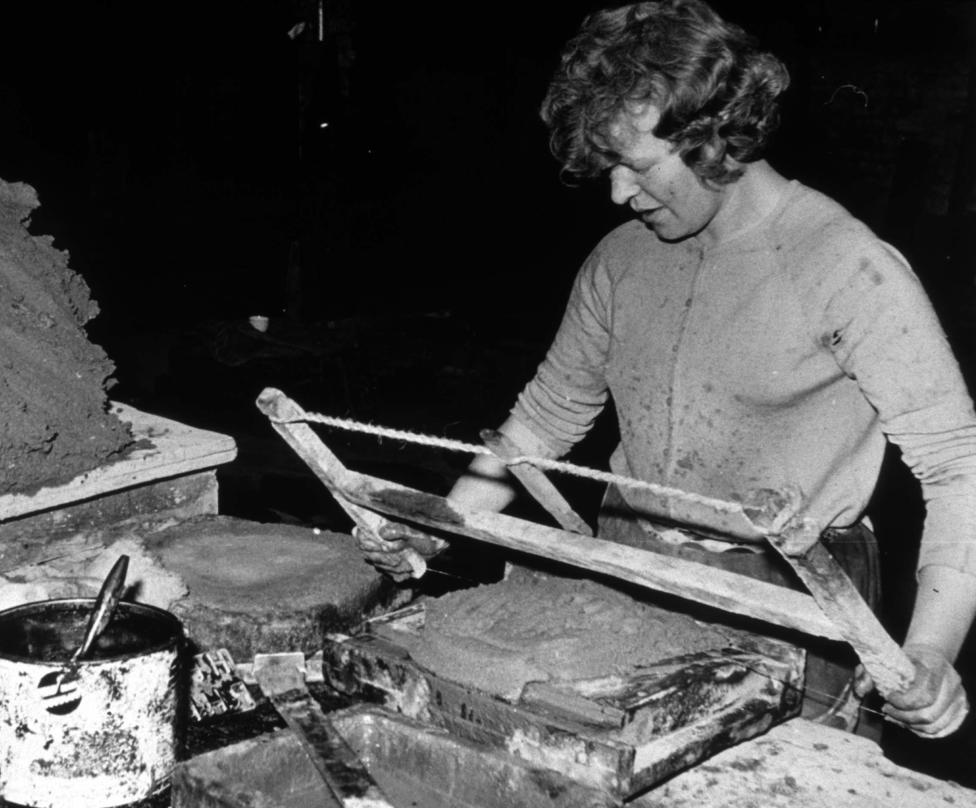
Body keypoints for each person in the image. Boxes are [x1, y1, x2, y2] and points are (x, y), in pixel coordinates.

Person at [356, 0, 976, 738]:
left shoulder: (846, 267)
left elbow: (958, 466)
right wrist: (440, 527)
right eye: (607, 166)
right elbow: (545, 420)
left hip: (794, 597)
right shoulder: (621, 261)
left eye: (635, 164)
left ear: (719, 141)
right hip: (630, 570)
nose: (617, 193)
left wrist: (931, 652)